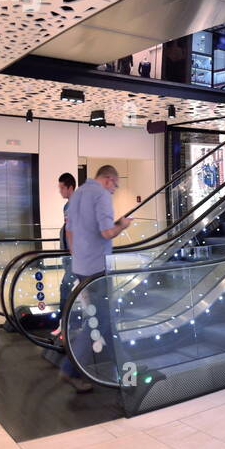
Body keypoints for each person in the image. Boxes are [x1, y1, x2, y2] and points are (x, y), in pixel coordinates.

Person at [60, 165, 133, 393]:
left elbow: (68, 230)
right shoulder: (100, 195)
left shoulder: (79, 192)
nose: (114, 191)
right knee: (99, 320)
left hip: (81, 266)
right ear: (109, 180)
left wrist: (77, 254)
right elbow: (107, 232)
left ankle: (125, 368)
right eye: (115, 186)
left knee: (105, 319)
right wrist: (122, 224)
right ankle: (69, 368)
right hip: (98, 268)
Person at [54, 172, 76, 332]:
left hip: (74, 256)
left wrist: (74, 252)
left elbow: (72, 230)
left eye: (62, 188)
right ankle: (65, 323)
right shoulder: (67, 206)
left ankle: (63, 323)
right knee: (68, 287)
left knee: (65, 287)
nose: (60, 191)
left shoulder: (74, 205)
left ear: (70, 187)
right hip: (69, 255)